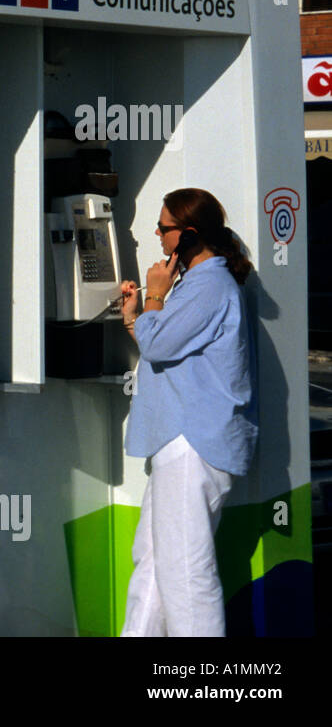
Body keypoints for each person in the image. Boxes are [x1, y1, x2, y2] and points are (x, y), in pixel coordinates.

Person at [118, 188, 256, 637]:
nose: (156, 234)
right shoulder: (198, 285)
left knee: (185, 577)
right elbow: (168, 350)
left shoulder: (210, 286)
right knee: (155, 565)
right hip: (178, 441)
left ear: (189, 235)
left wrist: (155, 296)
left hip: (192, 443)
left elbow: (159, 344)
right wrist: (137, 315)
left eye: (164, 228)